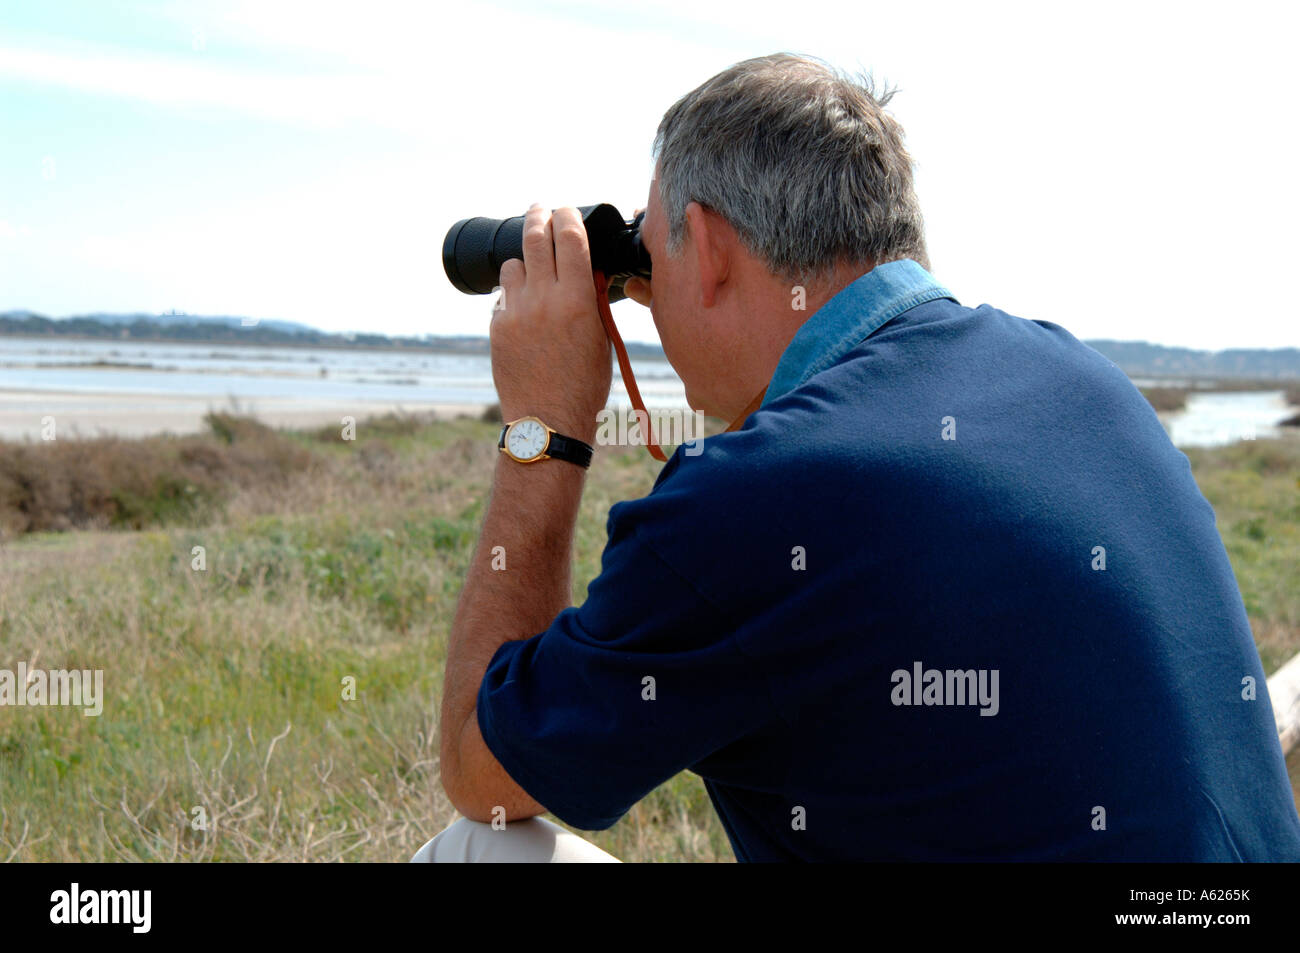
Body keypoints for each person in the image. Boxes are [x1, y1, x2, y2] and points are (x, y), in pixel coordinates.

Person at [414, 53, 1300, 862]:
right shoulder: (1086, 382)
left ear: (711, 248)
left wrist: (544, 430)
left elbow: (479, 767)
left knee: (478, 855)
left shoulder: (756, 498)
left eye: (654, 246)